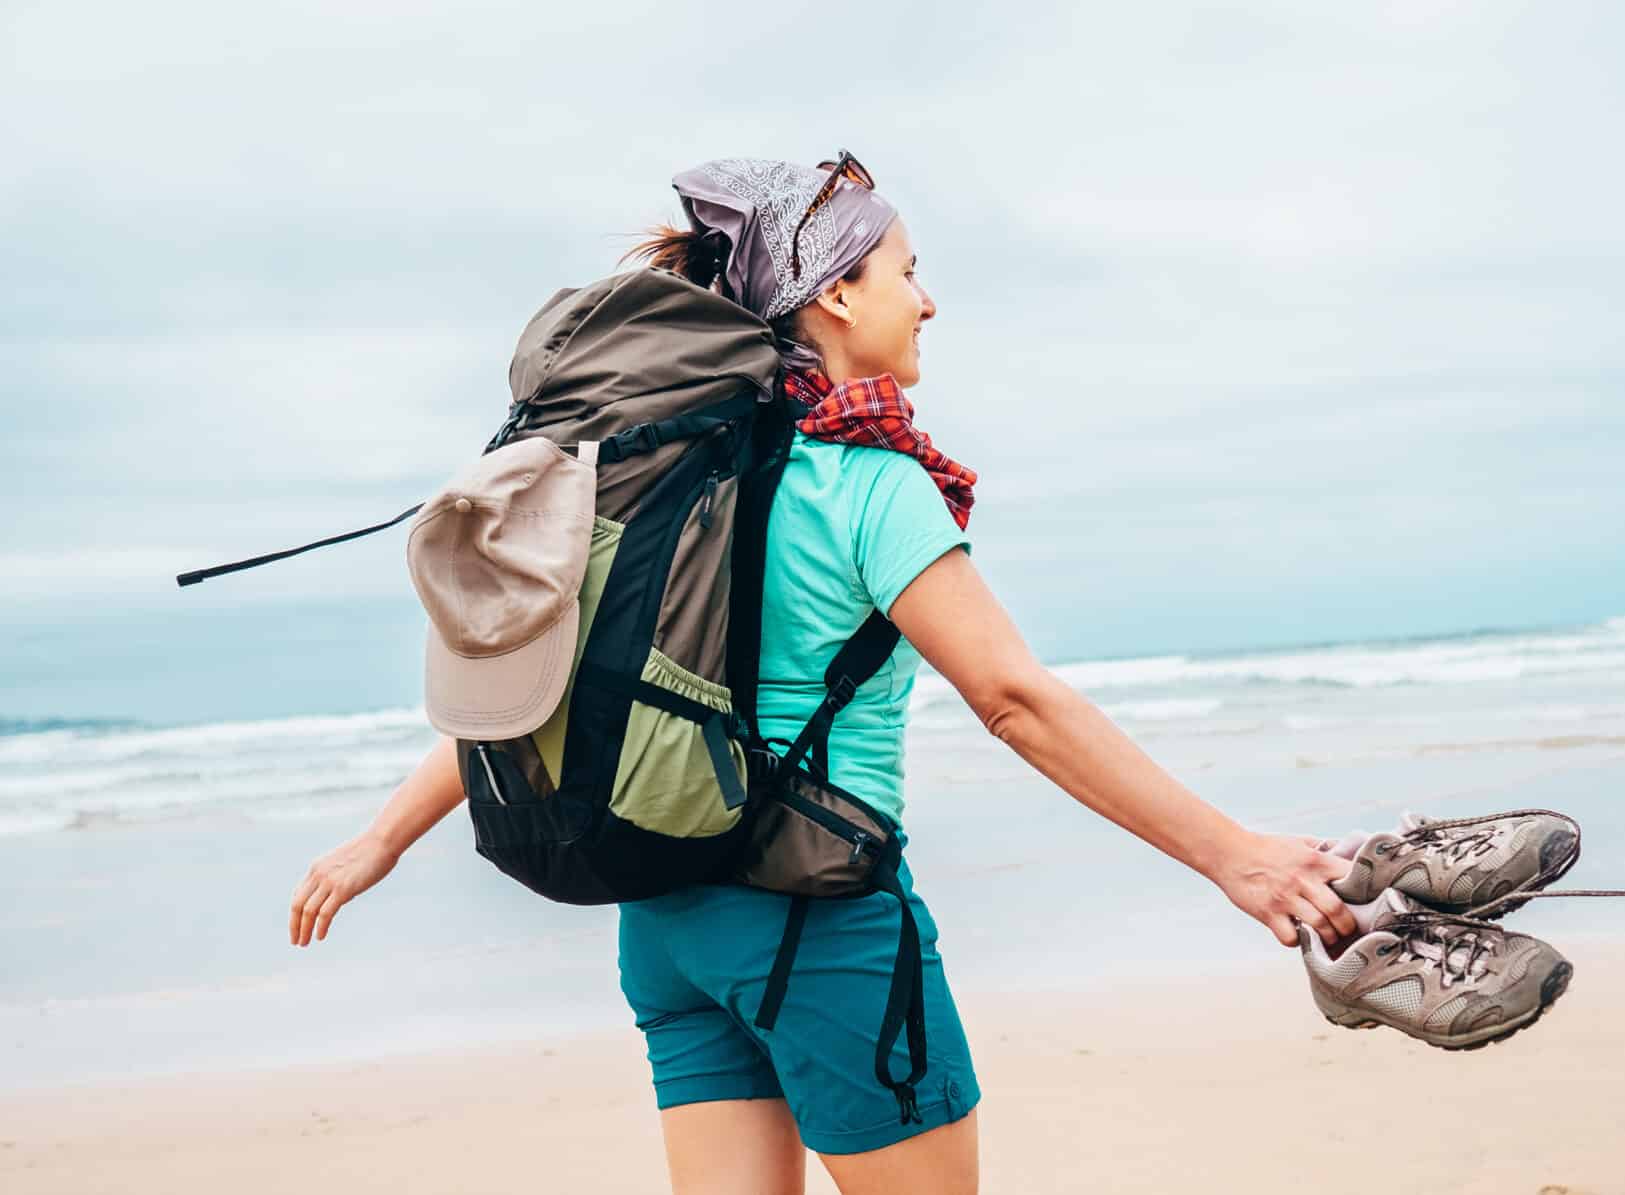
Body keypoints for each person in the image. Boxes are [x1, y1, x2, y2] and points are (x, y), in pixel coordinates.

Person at [285, 155, 1356, 1195]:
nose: (925, 302)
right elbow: (1012, 699)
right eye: (905, 271)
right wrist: (1232, 856)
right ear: (835, 294)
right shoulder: (869, 484)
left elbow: (557, 688)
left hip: (667, 926)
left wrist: (379, 838)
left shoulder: (657, 486)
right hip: (819, 916)